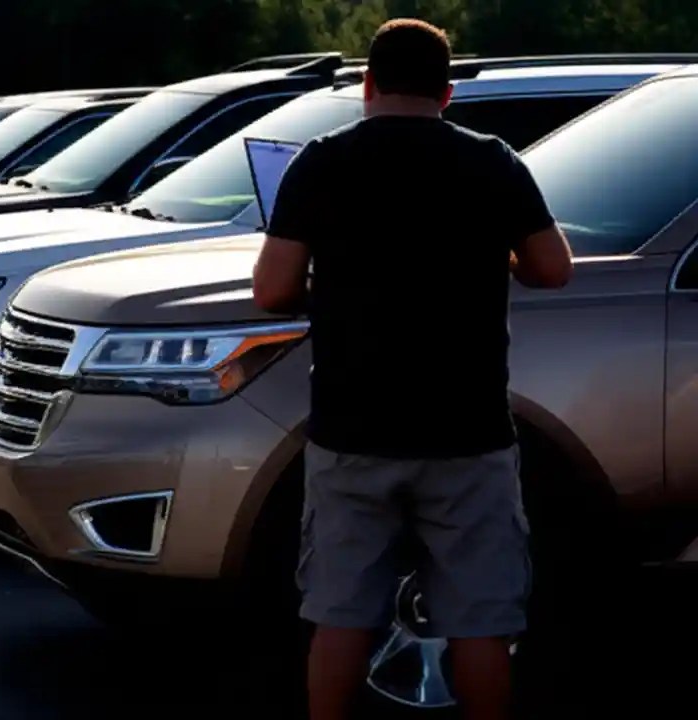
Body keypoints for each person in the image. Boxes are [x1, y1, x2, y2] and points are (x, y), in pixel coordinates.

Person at [250, 18, 573, 720]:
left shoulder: (321, 161)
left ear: (367, 85)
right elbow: (553, 268)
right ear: (447, 93)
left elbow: (272, 291)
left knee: (341, 613)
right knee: (481, 619)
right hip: (469, 430)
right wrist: (496, 258)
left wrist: (337, 287)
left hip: (351, 428)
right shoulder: (493, 161)